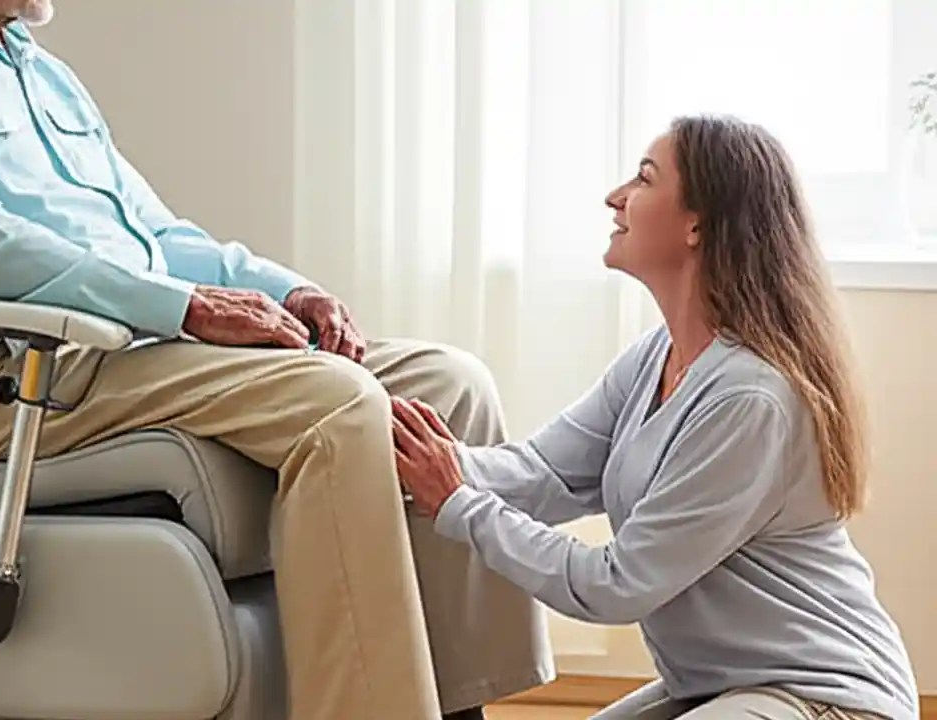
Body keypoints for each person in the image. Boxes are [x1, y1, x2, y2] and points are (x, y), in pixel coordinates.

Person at [0, 0, 552, 718]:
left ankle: (460, 703)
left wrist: (288, 290)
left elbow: (155, 234)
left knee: (449, 384)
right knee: (337, 404)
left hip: (129, 350)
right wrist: (187, 308)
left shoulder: (37, 70)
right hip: (17, 380)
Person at [391, 114, 920, 719]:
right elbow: (548, 472)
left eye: (643, 179)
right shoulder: (656, 358)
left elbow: (616, 584)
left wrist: (459, 502)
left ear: (698, 223)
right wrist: (426, 465)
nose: (615, 197)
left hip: (826, 698)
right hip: (721, 686)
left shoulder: (750, 400)